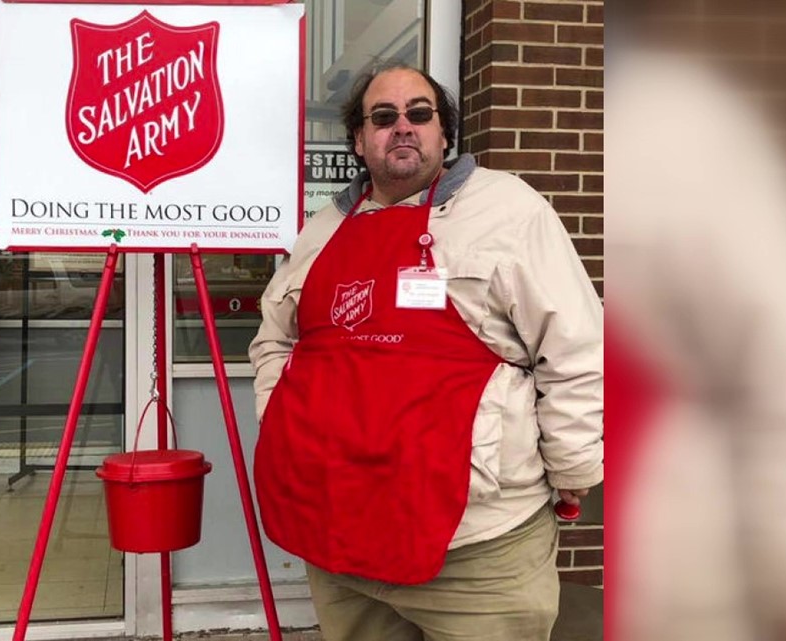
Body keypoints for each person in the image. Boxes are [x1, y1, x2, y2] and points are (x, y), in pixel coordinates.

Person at [248, 62, 604, 641]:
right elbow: (274, 339)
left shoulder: (511, 212)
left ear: (443, 133)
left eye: (420, 113)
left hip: (474, 546)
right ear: (360, 141)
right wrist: (281, 417)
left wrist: (574, 462)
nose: (403, 127)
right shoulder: (321, 228)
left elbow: (575, 350)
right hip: (338, 533)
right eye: (383, 117)